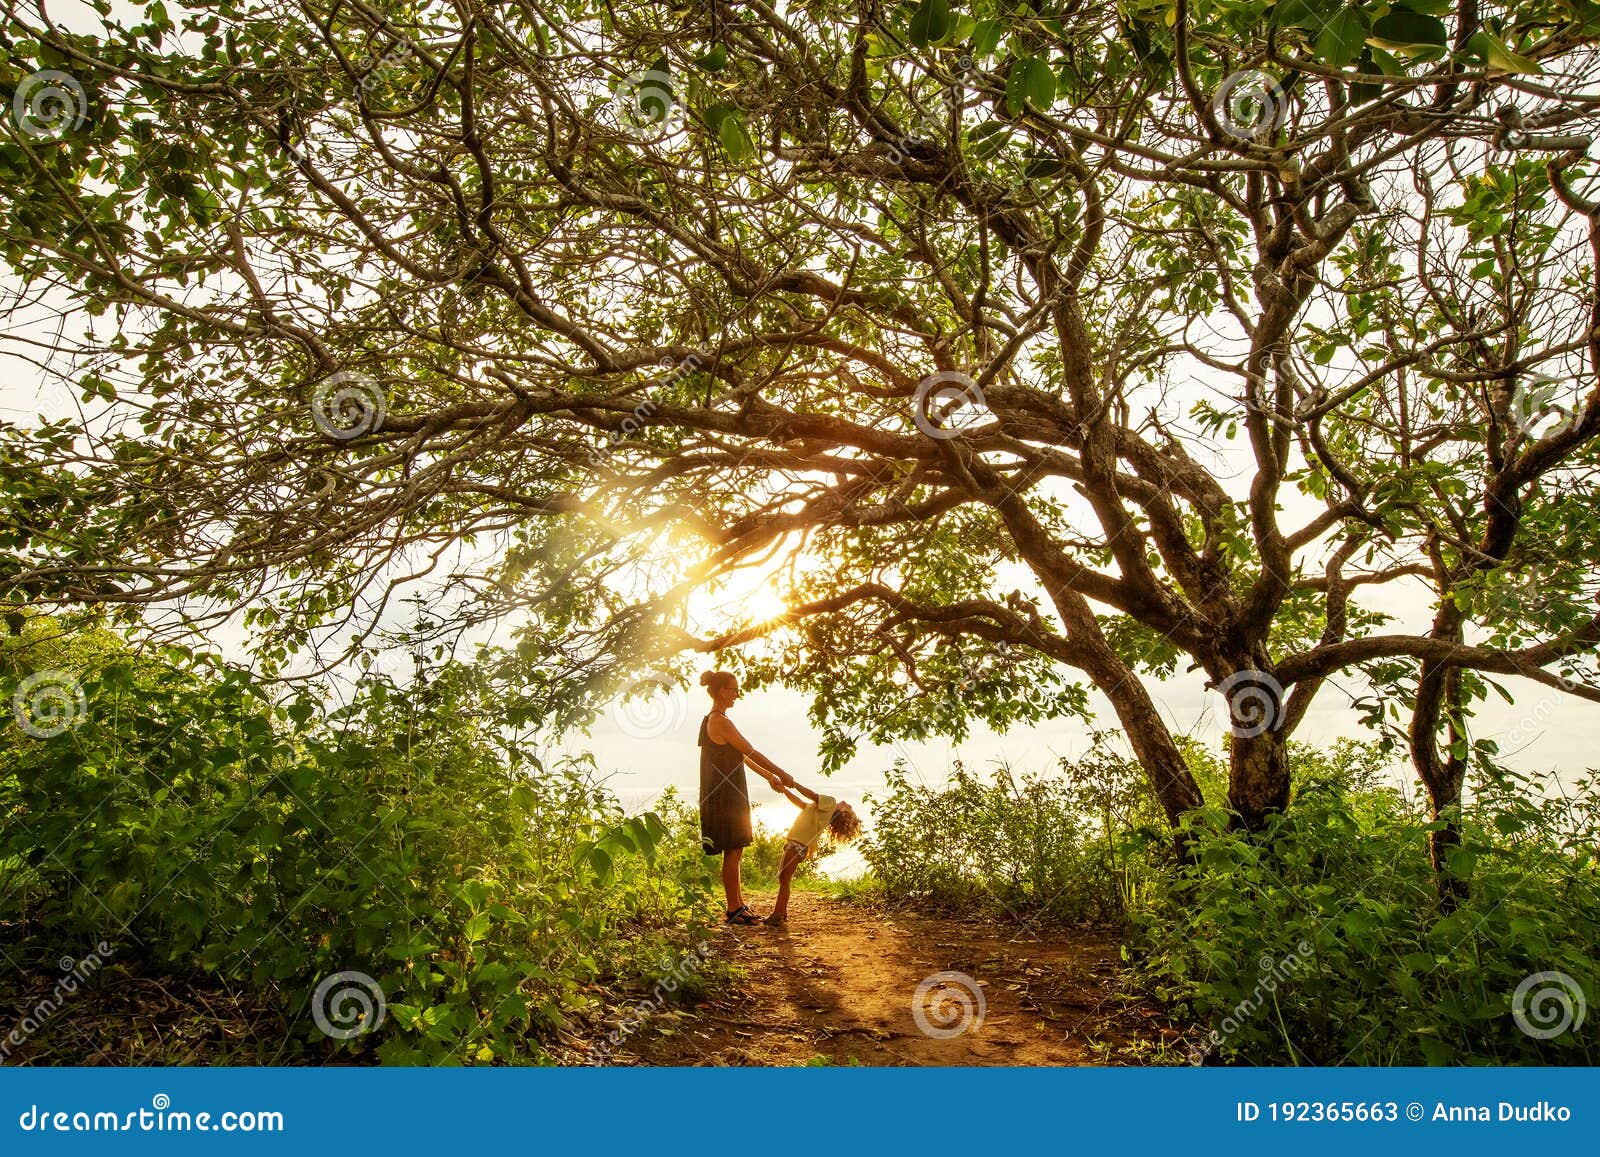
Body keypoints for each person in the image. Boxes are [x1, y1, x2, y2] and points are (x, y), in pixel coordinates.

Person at [697, 669, 800, 925]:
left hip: (728, 790)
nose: (737, 694)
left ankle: (738, 906)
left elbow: (740, 755)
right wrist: (781, 772)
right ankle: (734, 909)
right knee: (732, 849)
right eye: (734, 690)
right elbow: (751, 751)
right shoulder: (719, 721)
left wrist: (769, 776)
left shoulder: (718, 719)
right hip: (724, 794)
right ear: (723, 691)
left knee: (736, 848)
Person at [764, 780, 861, 928]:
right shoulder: (822, 811)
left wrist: (793, 783)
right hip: (798, 844)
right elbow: (801, 804)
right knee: (784, 878)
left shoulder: (831, 803)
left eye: (849, 807)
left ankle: (777, 914)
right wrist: (785, 790)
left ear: (843, 812)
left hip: (797, 844)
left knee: (784, 879)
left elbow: (812, 795)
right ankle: (781, 912)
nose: (849, 804)